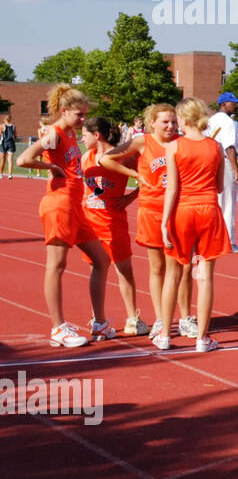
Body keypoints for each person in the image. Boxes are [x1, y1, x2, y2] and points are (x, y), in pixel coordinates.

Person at [18, 85, 112, 347]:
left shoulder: (70, 133)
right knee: (56, 266)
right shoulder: (55, 132)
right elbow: (24, 159)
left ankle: (99, 322)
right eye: (79, 114)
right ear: (64, 111)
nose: (83, 119)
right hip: (59, 204)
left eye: (85, 114)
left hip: (74, 206)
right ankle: (58, 328)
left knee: (102, 259)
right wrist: (50, 166)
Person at [99, 102, 193, 339]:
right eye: (165, 122)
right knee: (158, 267)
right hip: (152, 210)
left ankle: (185, 318)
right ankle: (161, 319)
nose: (171, 126)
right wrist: (136, 176)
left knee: (183, 266)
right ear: (152, 123)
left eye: (174, 121)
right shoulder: (143, 142)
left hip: (179, 209)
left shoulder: (182, 141)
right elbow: (106, 159)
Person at [158, 97, 230, 353]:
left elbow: (172, 188)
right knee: (206, 276)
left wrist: (164, 221)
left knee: (173, 274)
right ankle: (202, 338)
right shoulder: (215, 146)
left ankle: (165, 335)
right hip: (208, 209)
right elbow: (220, 186)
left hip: (183, 210)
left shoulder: (174, 146)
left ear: (183, 119)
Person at [81, 117, 144, 334]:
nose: (82, 139)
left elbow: (146, 177)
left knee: (124, 269)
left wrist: (129, 198)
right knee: (96, 269)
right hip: (91, 222)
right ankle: (98, 318)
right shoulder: (85, 157)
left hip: (113, 221)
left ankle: (132, 318)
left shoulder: (122, 157)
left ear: (96, 135)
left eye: (84, 135)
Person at [206, 91, 238, 250]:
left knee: (215, 201)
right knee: (228, 202)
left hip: (211, 161)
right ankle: (228, 240)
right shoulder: (229, 122)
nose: (236, 106)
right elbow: (230, 148)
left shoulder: (212, 119)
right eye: (232, 103)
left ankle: (212, 238)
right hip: (224, 161)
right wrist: (237, 171)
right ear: (223, 104)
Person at [1, 113, 16, 178]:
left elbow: (0, 135)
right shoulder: (13, 126)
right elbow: (15, 136)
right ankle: (10, 175)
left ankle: (0, 174)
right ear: (10, 119)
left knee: (3, 159)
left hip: (4, 143)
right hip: (11, 143)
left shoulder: (2, 126)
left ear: (4, 119)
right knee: (10, 160)